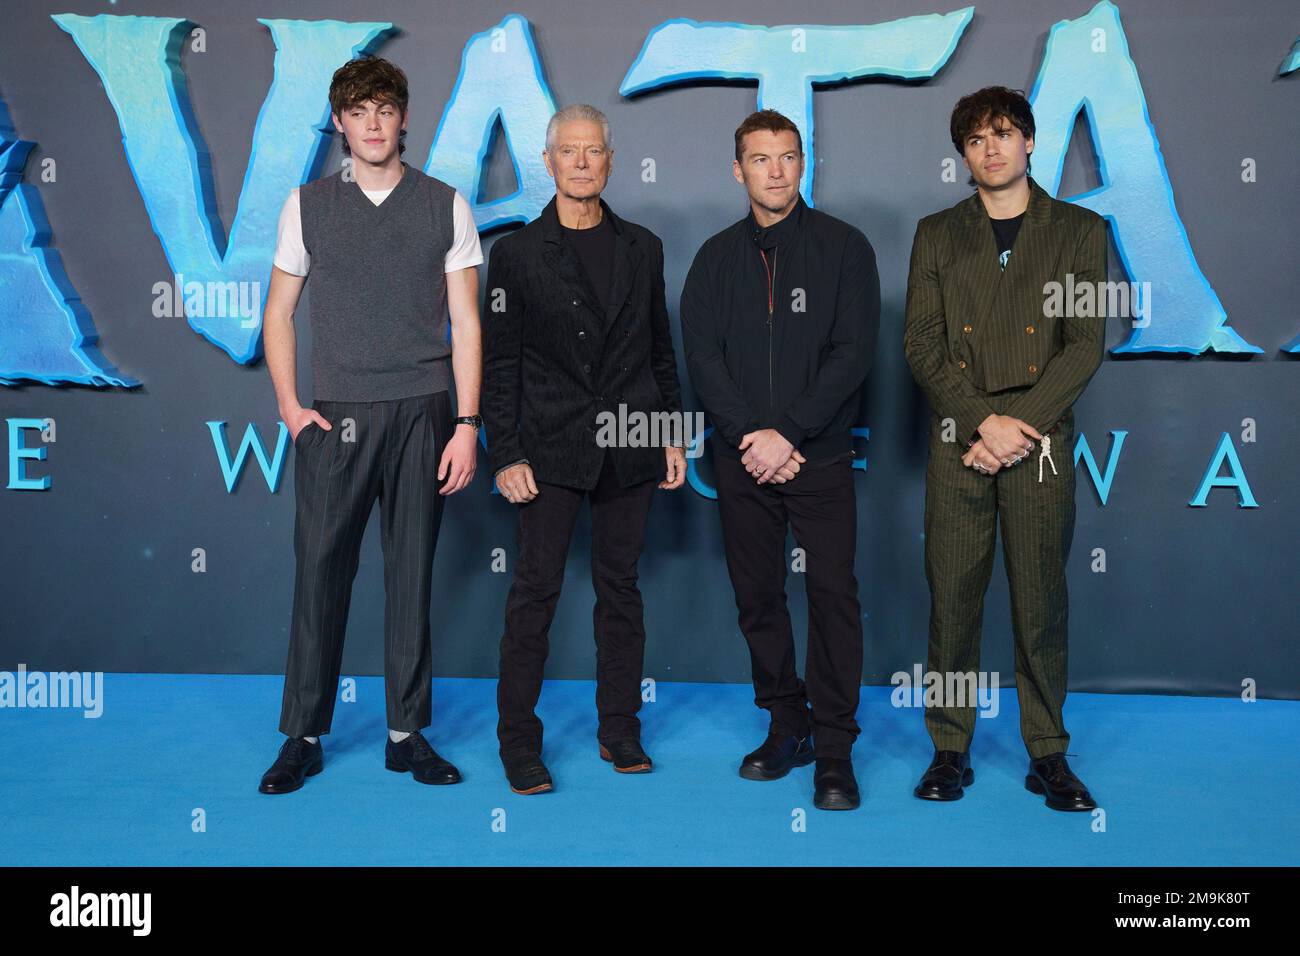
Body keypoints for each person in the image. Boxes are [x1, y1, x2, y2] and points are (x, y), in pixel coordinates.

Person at [257, 55, 483, 794]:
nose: (374, 123)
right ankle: (303, 735)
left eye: (386, 109)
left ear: (404, 118)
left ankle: (406, 733)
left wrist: (467, 424)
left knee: (411, 575)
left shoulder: (445, 203)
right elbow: (279, 313)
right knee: (320, 574)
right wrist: (291, 408)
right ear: (340, 122)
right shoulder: (307, 204)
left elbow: (467, 323)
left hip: (424, 410)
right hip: (339, 415)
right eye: (359, 111)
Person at [903, 86, 1107, 811]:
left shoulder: (1081, 231)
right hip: (961, 447)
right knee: (952, 602)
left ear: (1029, 142)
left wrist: (1017, 428)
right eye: (977, 139)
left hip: (1039, 447)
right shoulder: (937, 232)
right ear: (963, 154)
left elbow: (1085, 346)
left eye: (1004, 134)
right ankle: (949, 748)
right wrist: (979, 424)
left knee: (1040, 604)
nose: (991, 149)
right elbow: (921, 344)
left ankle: (1048, 753)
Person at [482, 105, 686, 795]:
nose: (580, 161)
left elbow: (661, 349)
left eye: (592, 150)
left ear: (609, 160)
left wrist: (670, 434)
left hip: (630, 446)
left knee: (621, 591)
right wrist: (505, 452)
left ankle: (619, 729)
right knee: (534, 593)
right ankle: (518, 743)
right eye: (567, 150)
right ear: (548, 163)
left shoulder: (644, 247)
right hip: (546, 449)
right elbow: (500, 364)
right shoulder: (513, 255)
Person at [680, 109, 879, 811]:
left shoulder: (846, 249)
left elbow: (852, 354)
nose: (775, 170)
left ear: (804, 164)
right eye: (760, 159)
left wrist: (788, 435)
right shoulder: (713, 260)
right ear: (739, 170)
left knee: (832, 598)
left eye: (788, 157)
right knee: (758, 596)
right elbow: (703, 359)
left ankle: (834, 748)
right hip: (744, 464)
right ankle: (785, 722)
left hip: (819, 459)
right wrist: (752, 439)